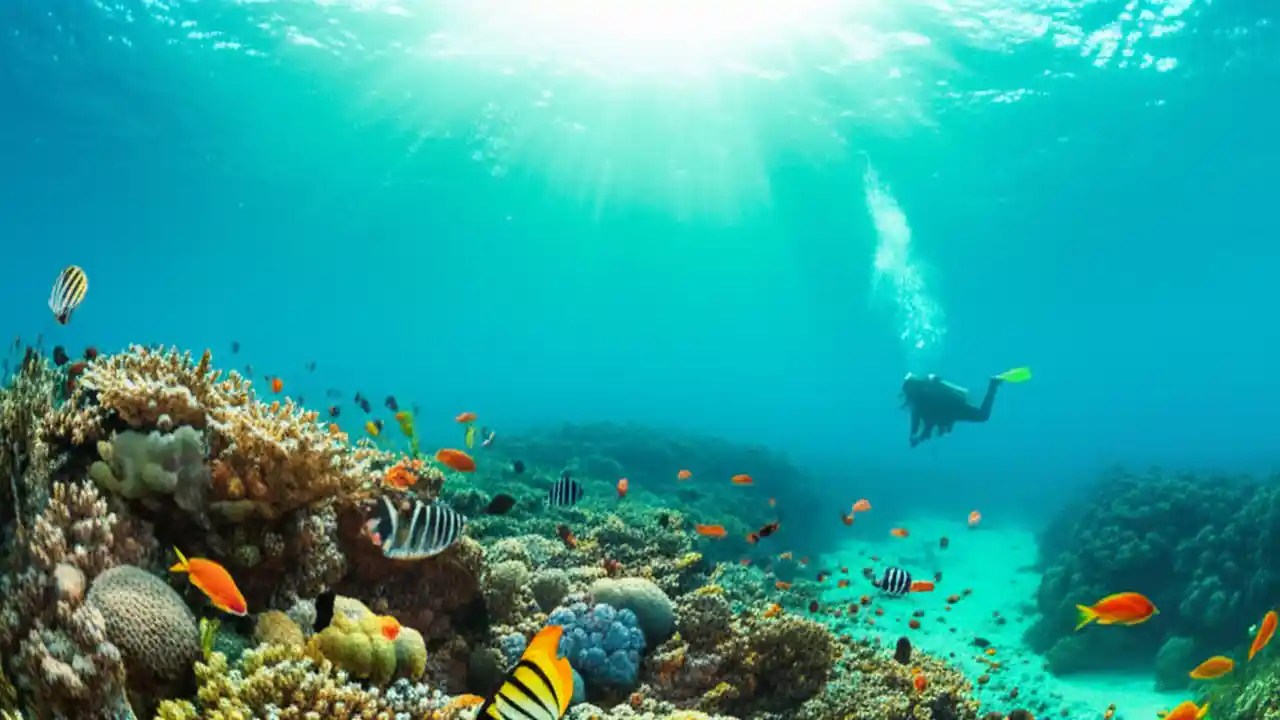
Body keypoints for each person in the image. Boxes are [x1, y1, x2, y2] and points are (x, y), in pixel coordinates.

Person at [901, 372, 1002, 447]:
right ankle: (993, 385)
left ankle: (993, 385)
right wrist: (917, 436)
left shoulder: (919, 403)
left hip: (951, 410)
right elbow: (923, 420)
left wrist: (916, 437)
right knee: (982, 416)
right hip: (954, 408)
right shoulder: (923, 399)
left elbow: (924, 420)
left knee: (982, 416)